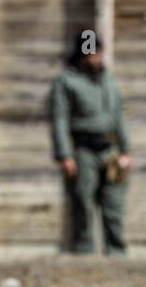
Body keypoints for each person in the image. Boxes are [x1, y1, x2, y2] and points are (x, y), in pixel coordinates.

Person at [49, 31, 132, 255]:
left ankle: (116, 252)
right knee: (83, 203)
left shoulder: (109, 80)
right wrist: (65, 155)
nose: (97, 58)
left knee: (114, 204)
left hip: (110, 150)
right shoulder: (66, 82)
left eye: (99, 53)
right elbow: (59, 119)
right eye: (93, 53)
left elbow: (119, 116)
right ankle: (83, 253)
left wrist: (126, 150)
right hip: (82, 150)